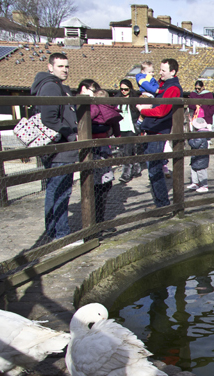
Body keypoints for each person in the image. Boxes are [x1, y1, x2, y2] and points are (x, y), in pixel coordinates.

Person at [32, 53, 78, 242]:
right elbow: (49, 118)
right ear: (50, 67)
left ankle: (53, 232)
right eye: (60, 66)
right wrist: (70, 134)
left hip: (58, 147)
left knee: (54, 189)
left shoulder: (56, 85)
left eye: (66, 66)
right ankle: (61, 235)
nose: (65, 70)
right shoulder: (51, 86)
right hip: (60, 148)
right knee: (60, 191)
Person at [137, 58, 183, 208]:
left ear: (172, 72)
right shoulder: (161, 85)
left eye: (163, 70)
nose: (160, 72)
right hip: (152, 128)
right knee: (152, 167)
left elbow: (162, 110)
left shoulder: (172, 88)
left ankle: (162, 203)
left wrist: (142, 110)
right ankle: (160, 202)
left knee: (155, 167)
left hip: (158, 129)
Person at [79, 81, 122, 229]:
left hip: (97, 147)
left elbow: (86, 119)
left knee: (99, 184)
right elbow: (116, 126)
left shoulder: (95, 107)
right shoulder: (110, 109)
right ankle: (96, 221)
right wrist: (117, 135)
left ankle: (97, 221)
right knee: (99, 184)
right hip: (101, 147)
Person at [116, 79, 143, 183]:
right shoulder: (117, 99)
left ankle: (126, 173)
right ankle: (136, 167)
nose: (123, 91)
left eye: (126, 89)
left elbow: (140, 112)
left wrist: (139, 124)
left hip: (131, 127)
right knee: (125, 150)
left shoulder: (134, 100)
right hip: (121, 127)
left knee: (128, 150)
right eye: (121, 89)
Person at [187, 116, 211, 192]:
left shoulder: (200, 135)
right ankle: (195, 183)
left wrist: (189, 140)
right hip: (198, 156)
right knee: (193, 169)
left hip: (200, 156)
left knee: (201, 171)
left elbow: (195, 145)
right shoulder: (203, 134)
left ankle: (204, 185)